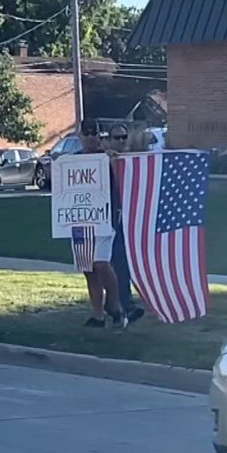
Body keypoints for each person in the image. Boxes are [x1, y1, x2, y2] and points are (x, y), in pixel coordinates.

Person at [71, 120, 126, 329]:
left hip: (104, 218)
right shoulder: (72, 161)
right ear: (80, 136)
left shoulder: (107, 158)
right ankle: (97, 315)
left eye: (94, 133)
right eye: (87, 133)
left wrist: (113, 164)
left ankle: (115, 305)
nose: (91, 137)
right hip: (79, 220)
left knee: (101, 263)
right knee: (88, 268)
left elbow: (122, 185)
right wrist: (57, 162)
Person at [103, 122, 145, 324]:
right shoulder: (102, 161)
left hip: (130, 220)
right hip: (108, 220)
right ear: (109, 140)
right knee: (114, 262)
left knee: (122, 263)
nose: (121, 141)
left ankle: (119, 304)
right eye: (116, 137)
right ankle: (121, 305)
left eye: (124, 137)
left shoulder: (135, 163)